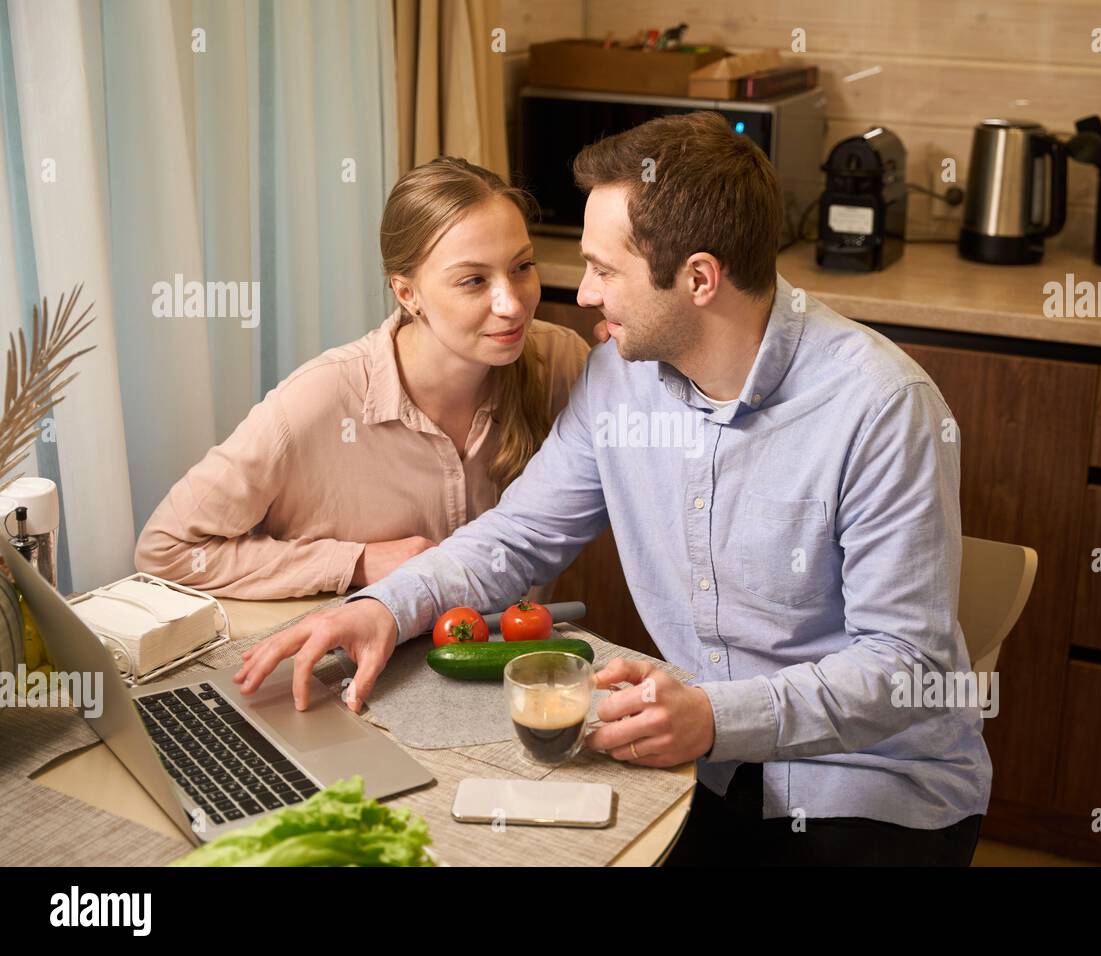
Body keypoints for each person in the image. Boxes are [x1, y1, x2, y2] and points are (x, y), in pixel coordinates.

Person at [232, 112, 991, 865]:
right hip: (704, 772)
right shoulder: (619, 379)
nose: (581, 293)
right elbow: (518, 537)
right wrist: (382, 608)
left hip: (867, 792)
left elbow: (908, 669)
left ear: (699, 278)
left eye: (604, 269)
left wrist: (713, 718)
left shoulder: (880, 406)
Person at [135, 158, 589, 599]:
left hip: (513, 663)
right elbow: (165, 549)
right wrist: (356, 562)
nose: (512, 304)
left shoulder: (561, 361)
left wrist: (639, 359)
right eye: (473, 281)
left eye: (522, 267)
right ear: (407, 293)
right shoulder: (319, 399)